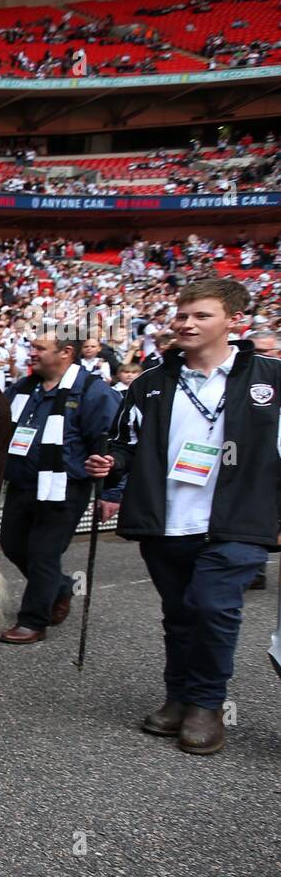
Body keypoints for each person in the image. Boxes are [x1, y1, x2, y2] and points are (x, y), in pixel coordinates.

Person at [86, 278, 281, 755]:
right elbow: (125, 444)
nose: (186, 324)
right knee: (178, 614)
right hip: (166, 519)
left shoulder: (271, 379)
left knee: (212, 607)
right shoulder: (150, 383)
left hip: (239, 519)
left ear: (233, 320)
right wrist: (111, 463)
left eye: (201, 315)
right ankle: (178, 697)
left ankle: (207, 706)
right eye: (181, 315)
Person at [0, 334, 122, 644]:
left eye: (39, 349)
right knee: (14, 546)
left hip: (64, 487)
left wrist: (111, 492)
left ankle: (33, 620)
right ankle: (61, 587)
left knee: (43, 553)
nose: (32, 354)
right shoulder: (23, 387)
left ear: (66, 352)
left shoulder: (93, 392)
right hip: (22, 483)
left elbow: (111, 445)